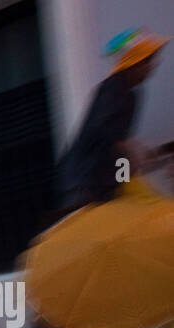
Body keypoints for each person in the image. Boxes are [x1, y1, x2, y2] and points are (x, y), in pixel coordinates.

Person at [57, 29, 168, 212]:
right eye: (148, 59)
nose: (153, 65)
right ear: (134, 62)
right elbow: (108, 134)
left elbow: (120, 144)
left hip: (101, 187)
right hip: (85, 186)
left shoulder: (131, 94)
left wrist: (124, 182)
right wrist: (131, 157)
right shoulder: (113, 87)